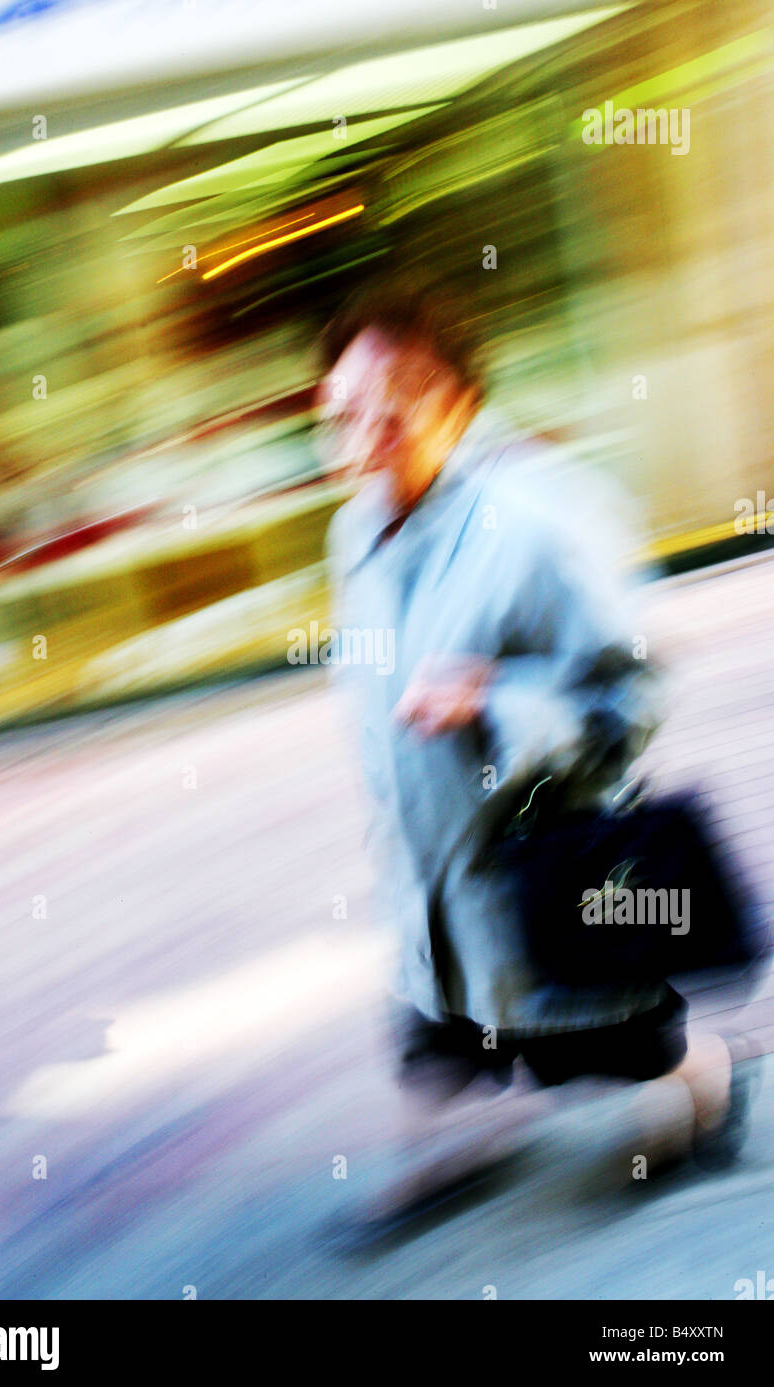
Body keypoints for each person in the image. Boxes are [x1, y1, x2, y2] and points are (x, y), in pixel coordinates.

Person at [317, 278, 760, 1228]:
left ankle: (707, 1088)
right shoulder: (356, 524)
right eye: (341, 412)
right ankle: (447, 1152)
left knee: (609, 1041)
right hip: (427, 865)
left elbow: (632, 696)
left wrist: (496, 697)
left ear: (451, 398)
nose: (358, 436)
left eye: (384, 411)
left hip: (538, 862)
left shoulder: (539, 516)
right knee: (434, 1033)